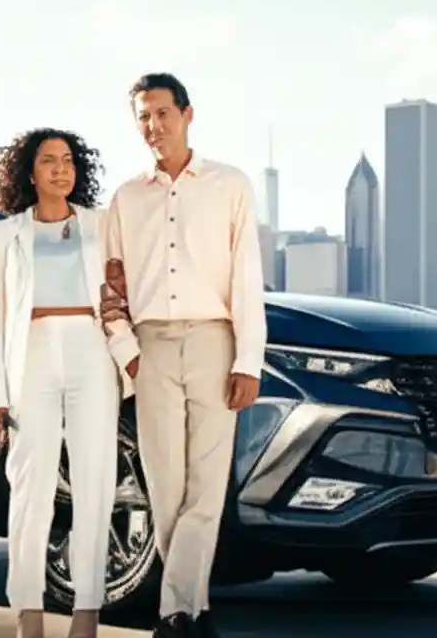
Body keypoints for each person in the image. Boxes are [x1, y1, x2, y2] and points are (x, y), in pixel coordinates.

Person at [98, 73, 267, 638]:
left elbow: (247, 277)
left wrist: (248, 360)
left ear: (188, 114)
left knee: (206, 484)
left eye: (162, 113)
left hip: (214, 343)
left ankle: (176, 612)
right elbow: (110, 290)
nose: (153, 126)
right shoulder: (124, 200)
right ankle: (190, 611)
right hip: (151, 350)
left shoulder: (230, 186)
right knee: (165, 485)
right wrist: (130, 356)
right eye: (143, 116)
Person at [0, 127, 137, 638]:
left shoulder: (101, 224)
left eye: (68, 160)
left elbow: (121, 291)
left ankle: (87, 613)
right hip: (32, 354)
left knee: (96, 480)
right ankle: (29, 612)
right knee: (32, 485)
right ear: (29, 172)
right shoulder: (6, 235)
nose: (61, 169)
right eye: (49, 161)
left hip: (92, 350)